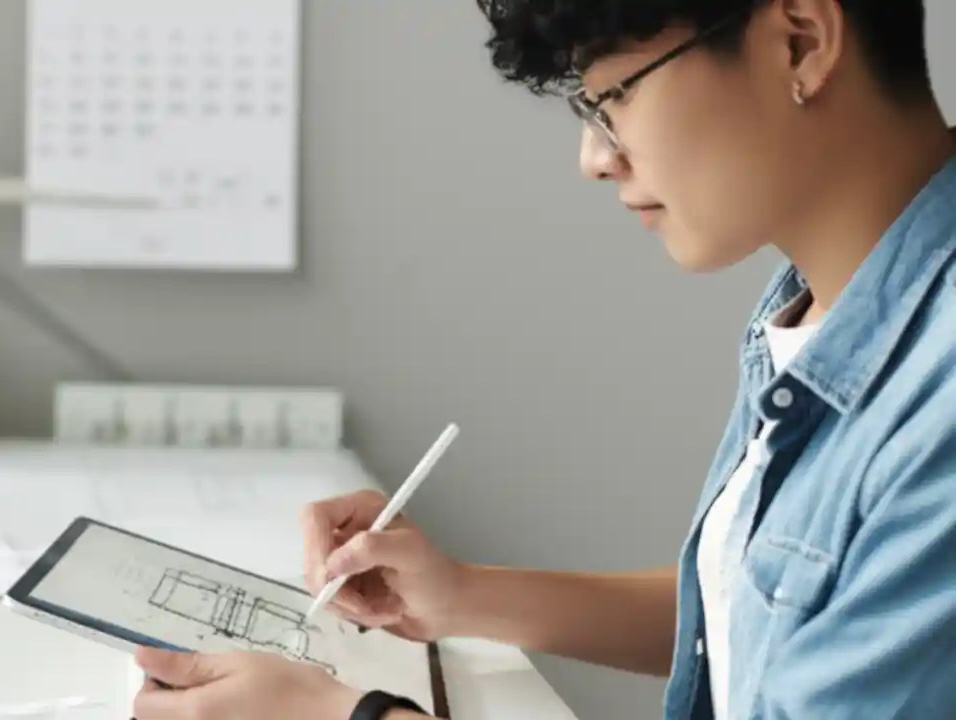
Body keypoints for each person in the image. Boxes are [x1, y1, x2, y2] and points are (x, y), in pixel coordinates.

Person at [131, 0, 956, 717]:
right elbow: (770, 613)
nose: (596, 158)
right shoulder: (824, 304)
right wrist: (459, 594)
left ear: (801, 41)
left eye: (617, 97)